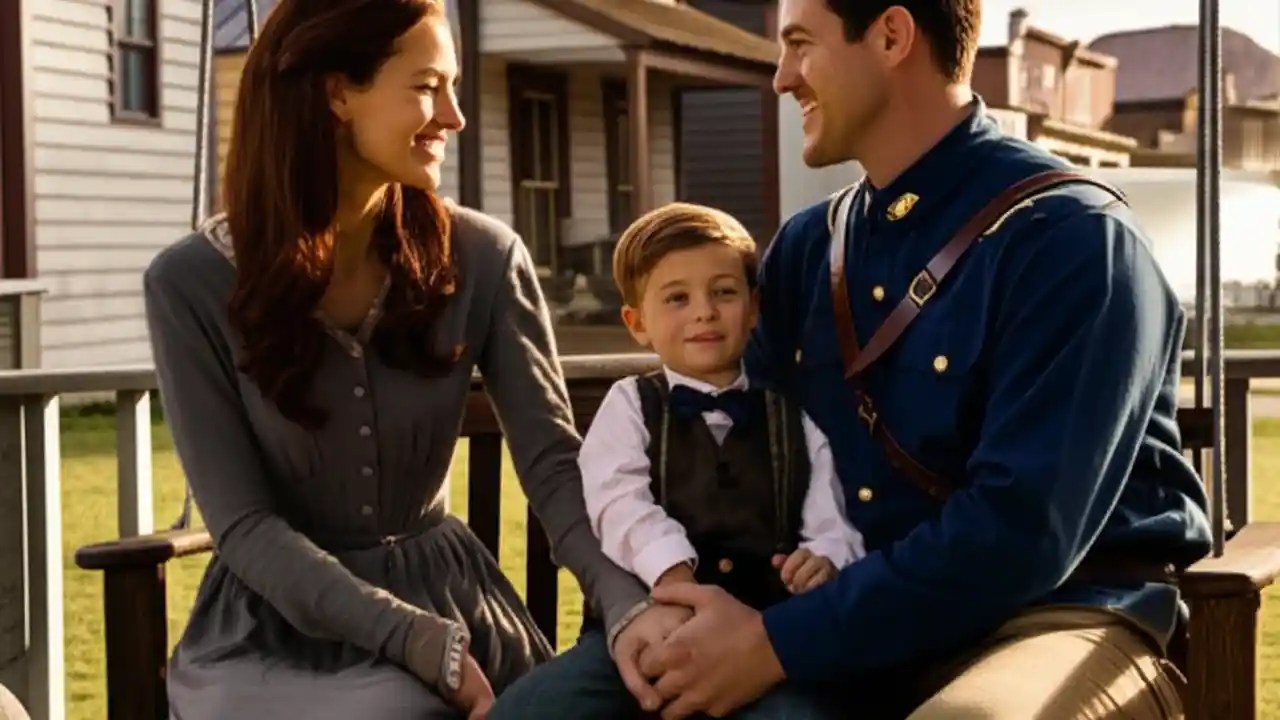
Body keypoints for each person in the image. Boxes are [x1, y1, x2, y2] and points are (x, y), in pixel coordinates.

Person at [628, 1, 1213, 718]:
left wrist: (779, 642)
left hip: (1051, 620)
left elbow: (1019, 538)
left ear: (892, 35)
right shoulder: (810, 248)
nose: (781, 77)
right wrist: (656, 605)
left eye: (801, 44)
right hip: (830, 618)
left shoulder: (1072, 240)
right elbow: (735, 454)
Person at [143, 1, 673, 717]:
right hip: (273, 633)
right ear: (337, 92)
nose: (453, 116)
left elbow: (552, 466)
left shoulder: (484, 258)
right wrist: (409, 639)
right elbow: (243, 526)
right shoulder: (188, 284)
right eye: (427, 86)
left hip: (454, 607)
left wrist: (627, 605)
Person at [490, 203, 864, 719]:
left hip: (756, 635)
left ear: (753, 308)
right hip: (650, 624)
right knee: (533, 709)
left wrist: (824, 557)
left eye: (724, 292)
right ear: (637, 322)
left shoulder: (792, 415)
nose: (704, 312)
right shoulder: (630, 405)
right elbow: (616, 500)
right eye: (677, 298)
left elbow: (831, 512)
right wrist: (671, 572)